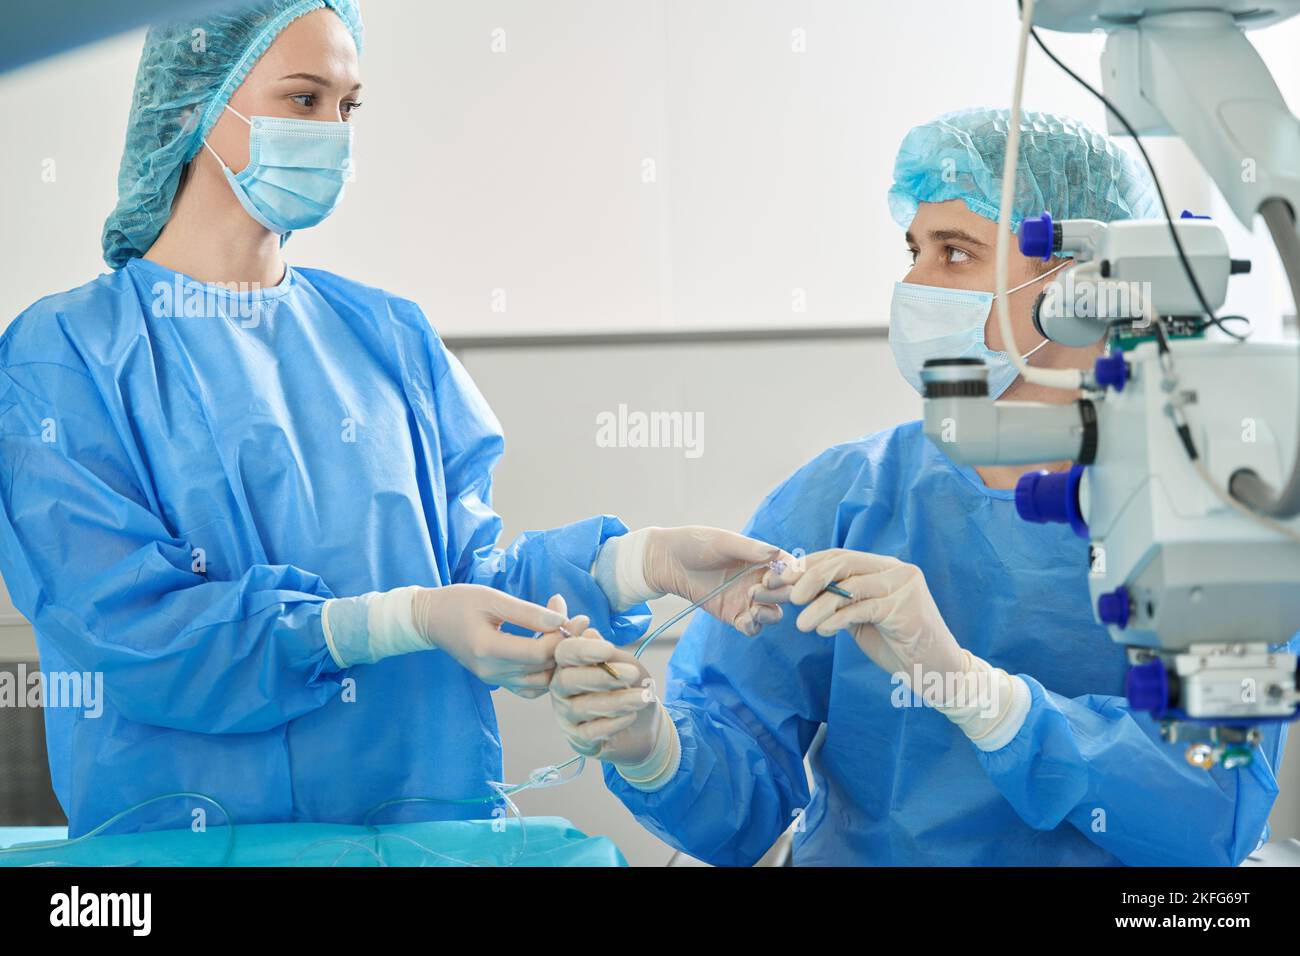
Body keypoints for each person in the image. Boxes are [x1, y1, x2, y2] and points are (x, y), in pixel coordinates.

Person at [0, 0, 783, 837]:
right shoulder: (67, 356)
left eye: (348, 107)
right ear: (193, 105)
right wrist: (394, 622)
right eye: (304, 100)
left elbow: (466, 585)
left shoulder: (386, 337)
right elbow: (133, 635)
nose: (332, 132)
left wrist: (646, 562)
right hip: (192, 849)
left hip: (421, 836)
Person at [548, 107, 1294, 866]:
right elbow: (739, 807)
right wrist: (651, 746)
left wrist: (977, 694)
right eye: (913, 249)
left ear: (1081, 283)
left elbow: (1208, 818)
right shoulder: (849, 496)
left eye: (955, 252)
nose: (914, 281)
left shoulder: (1207, 512)